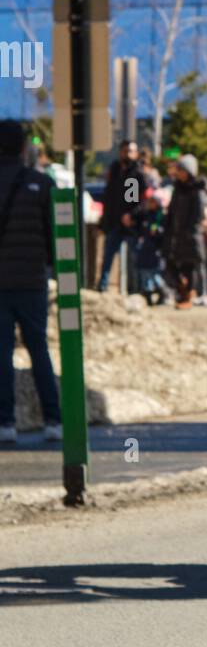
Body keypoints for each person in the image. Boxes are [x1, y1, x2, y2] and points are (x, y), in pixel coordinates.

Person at [0, 120, 62, 444]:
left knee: (2, 354)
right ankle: (53, 420)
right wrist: (49, 267)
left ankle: (5, 424)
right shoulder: (41, 182)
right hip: (32, 282)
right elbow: (55, 236)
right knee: (39, 349)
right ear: (24, 147)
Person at [97, 140, 144, 293]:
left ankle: (136, 290)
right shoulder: (115, 171)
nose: (128, 154)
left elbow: (139, 201)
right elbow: (109, 197)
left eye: (131, 151)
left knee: (133, 260)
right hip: (114, 223)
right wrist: (103, 221)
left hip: (131, 225)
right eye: (125, 151)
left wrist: (131, 215)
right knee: (108, 256)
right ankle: (102, 286)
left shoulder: (136, 174)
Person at [163, 154, 207, 310]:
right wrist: (167, 226)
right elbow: (171, 210)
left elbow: (198, 214)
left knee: (190, 266)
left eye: (181, 169)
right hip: (176, 235)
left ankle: (188, 297)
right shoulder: (177, 188)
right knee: (170, 264)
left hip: (191, 236)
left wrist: (189, 231)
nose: (178, 172)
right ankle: (183, 292)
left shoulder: (197, 189)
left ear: (189, 171)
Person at [134, 189, 167, 307]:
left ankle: (163, 293)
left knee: (154, 274)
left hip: (155, 250)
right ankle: (148, 296)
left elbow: (165, 233)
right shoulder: (145, 215)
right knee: (145, 274)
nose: (151, 204)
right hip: (145, 249)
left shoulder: (162, 216)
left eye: (153, 201)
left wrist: (157, 231)